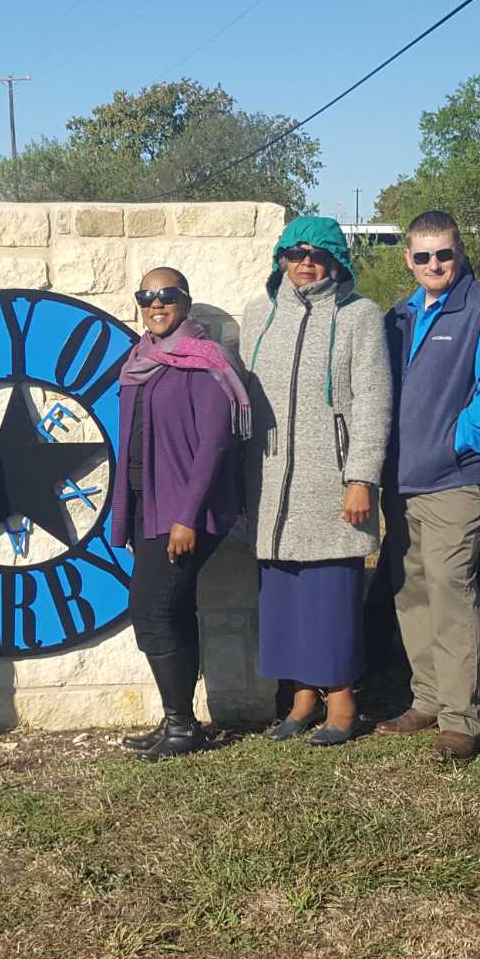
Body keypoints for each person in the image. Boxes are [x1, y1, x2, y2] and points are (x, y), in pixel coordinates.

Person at [376, 210, 480, 764]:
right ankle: (428, 698)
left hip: (458, 478)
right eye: (422, 255)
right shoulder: (400, 315)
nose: (433, 264)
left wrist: (451, 443)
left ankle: (462, 717)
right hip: (403, 481)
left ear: (459, 254)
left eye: (443, 254)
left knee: (449, 584)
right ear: (408, 259)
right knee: (411, 587)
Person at [241, 215, 392, 746]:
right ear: (281, 256)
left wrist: (361, 478)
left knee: (330, 589)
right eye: (295, 252)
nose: (306, 263)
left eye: (319, 254)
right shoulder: (259, 314)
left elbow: (373, 400)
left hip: (331, 476)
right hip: (270, 476)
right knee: (282, 589)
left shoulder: (359, 316)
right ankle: (302, 695)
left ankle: (343, 701)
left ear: (336, 261)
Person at [109, 267, 248, 760]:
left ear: (185, 301)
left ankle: (181, 727)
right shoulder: (141, 359)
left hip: (186, 510)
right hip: (151, 502)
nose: (155, 303)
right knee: (174, 610)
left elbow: (213, 446)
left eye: (166, 295)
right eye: (146, 296)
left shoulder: (205, 362)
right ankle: (180, 723)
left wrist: (186, 516)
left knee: (149, 611)